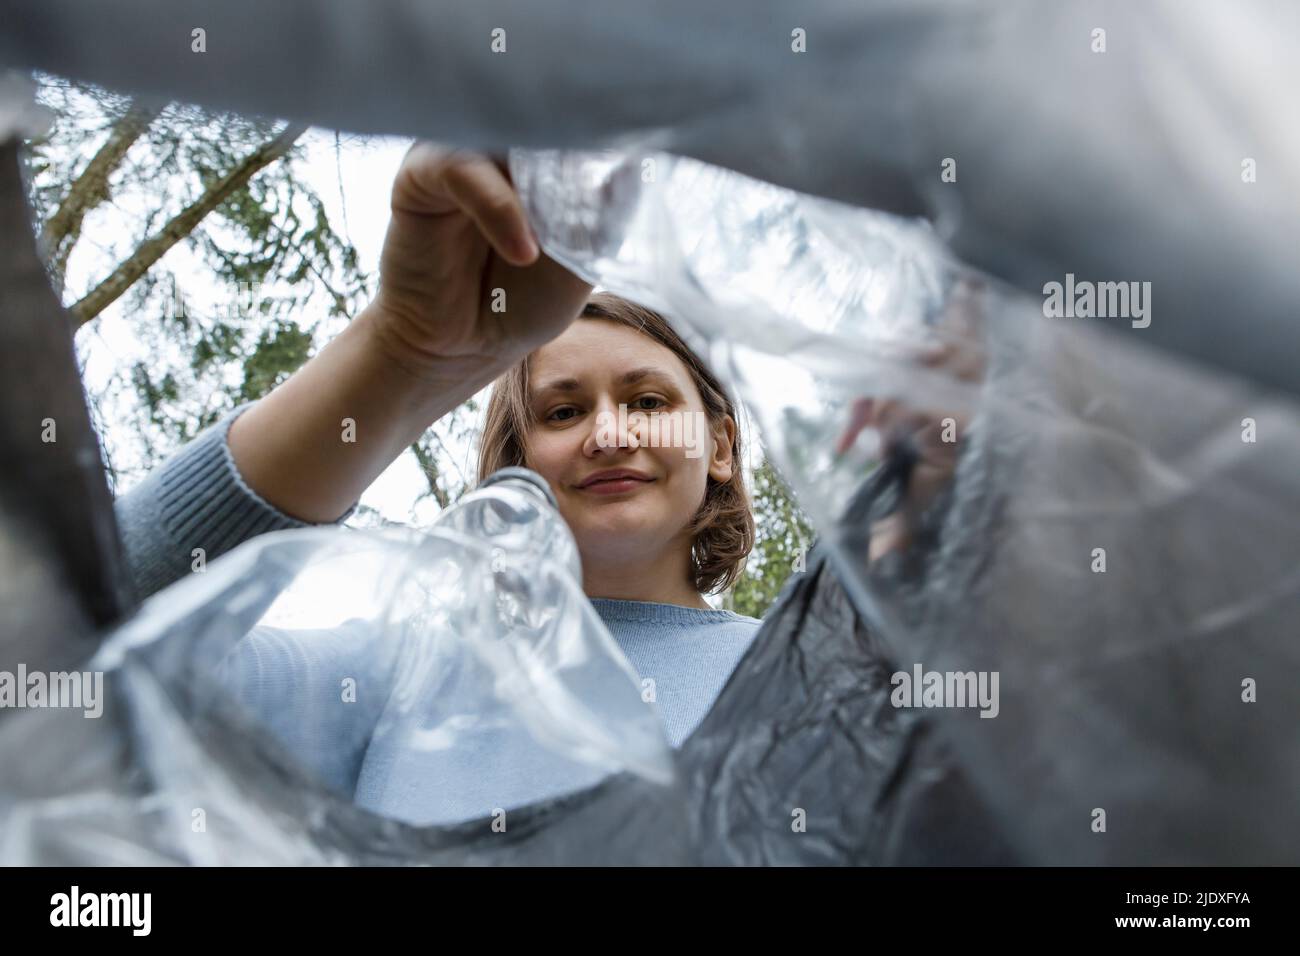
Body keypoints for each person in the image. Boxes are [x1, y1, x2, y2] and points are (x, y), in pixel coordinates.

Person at [115, 144, 765, 824]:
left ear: (717, 446)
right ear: (520, 468)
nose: (608, 434)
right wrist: (400, 352)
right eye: (563, 412)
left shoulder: (826, 678)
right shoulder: (391, 679)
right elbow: (80, 668)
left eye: (649, 403)